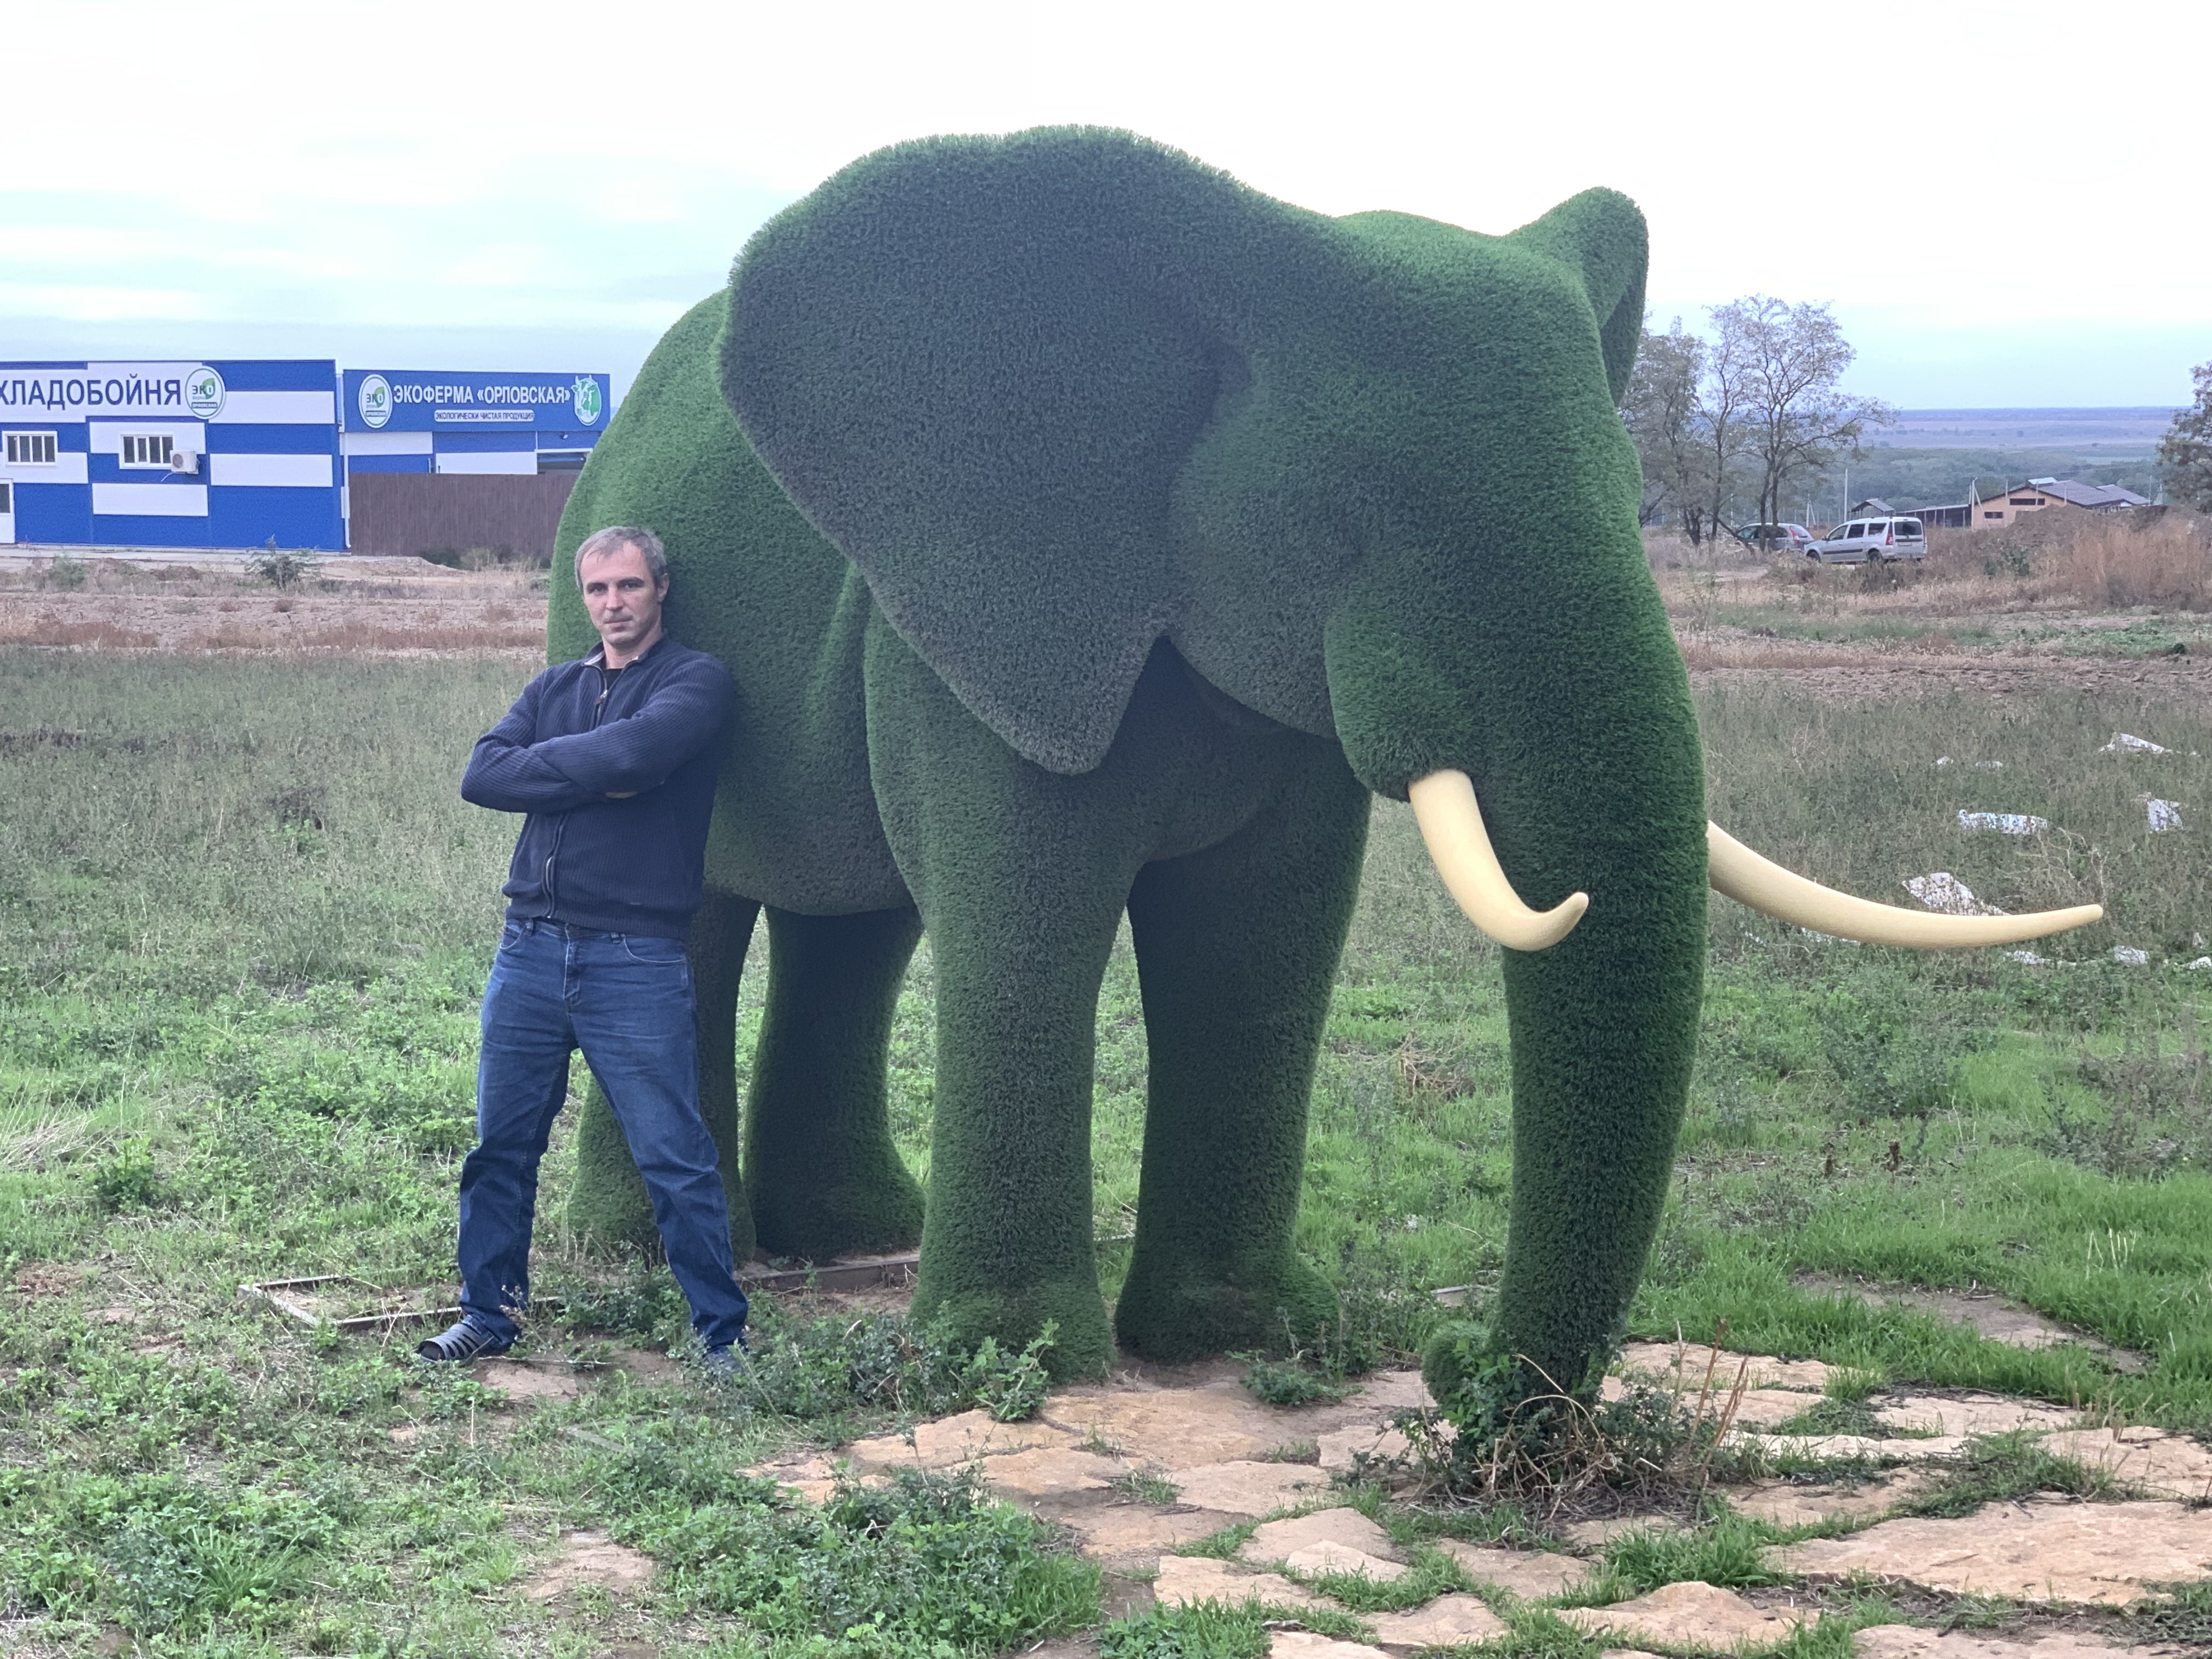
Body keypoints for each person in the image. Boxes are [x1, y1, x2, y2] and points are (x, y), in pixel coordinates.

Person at [416, 525, 751, 1375]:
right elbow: (482, 776)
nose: (614, 604)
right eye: (598, 590)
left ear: (660, 588)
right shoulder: (554, 684)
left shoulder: (697, 681)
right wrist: (603, 774)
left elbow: (640, 747)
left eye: (630, 586)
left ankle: (722, 1337)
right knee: (502, 1146)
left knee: (672, 1155)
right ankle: (488, 1314)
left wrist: (563, 769)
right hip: (527, 949)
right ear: (583, 597)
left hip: (634, 956)